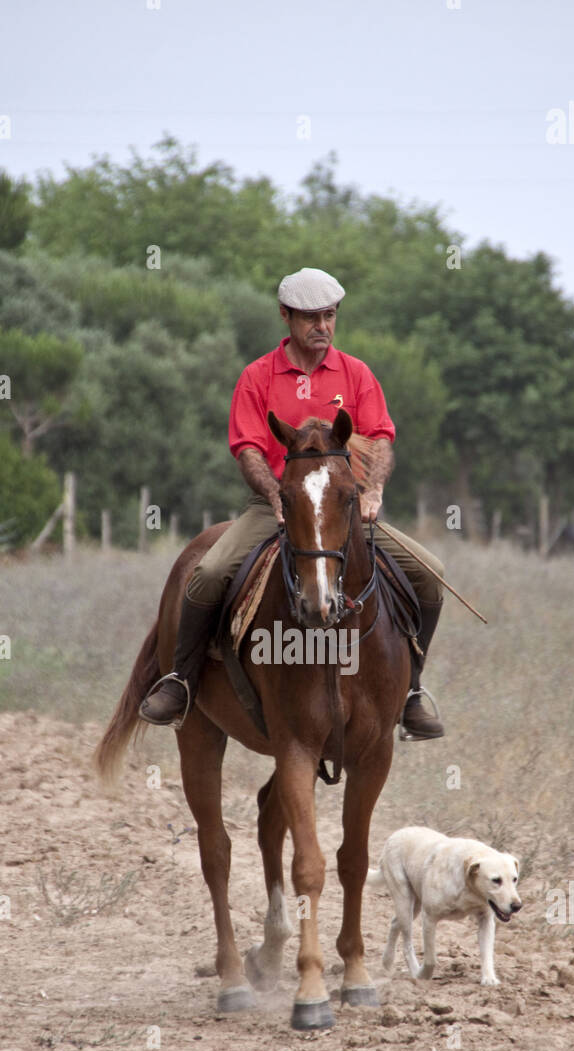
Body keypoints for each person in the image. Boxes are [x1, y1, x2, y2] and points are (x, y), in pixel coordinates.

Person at [139, 266, 445, 739]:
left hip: (343, 508)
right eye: (310, 317)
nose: (322, 326)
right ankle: (180, 680)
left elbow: (381, 439)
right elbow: (248, 447)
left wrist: (375, 490)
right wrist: (271, 496)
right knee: (208, 574)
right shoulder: (257, 376)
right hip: (276, 505)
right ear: (285, 315)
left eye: (329, 315)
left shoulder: (356, 374)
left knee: (430, 573)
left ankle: (412, 691)